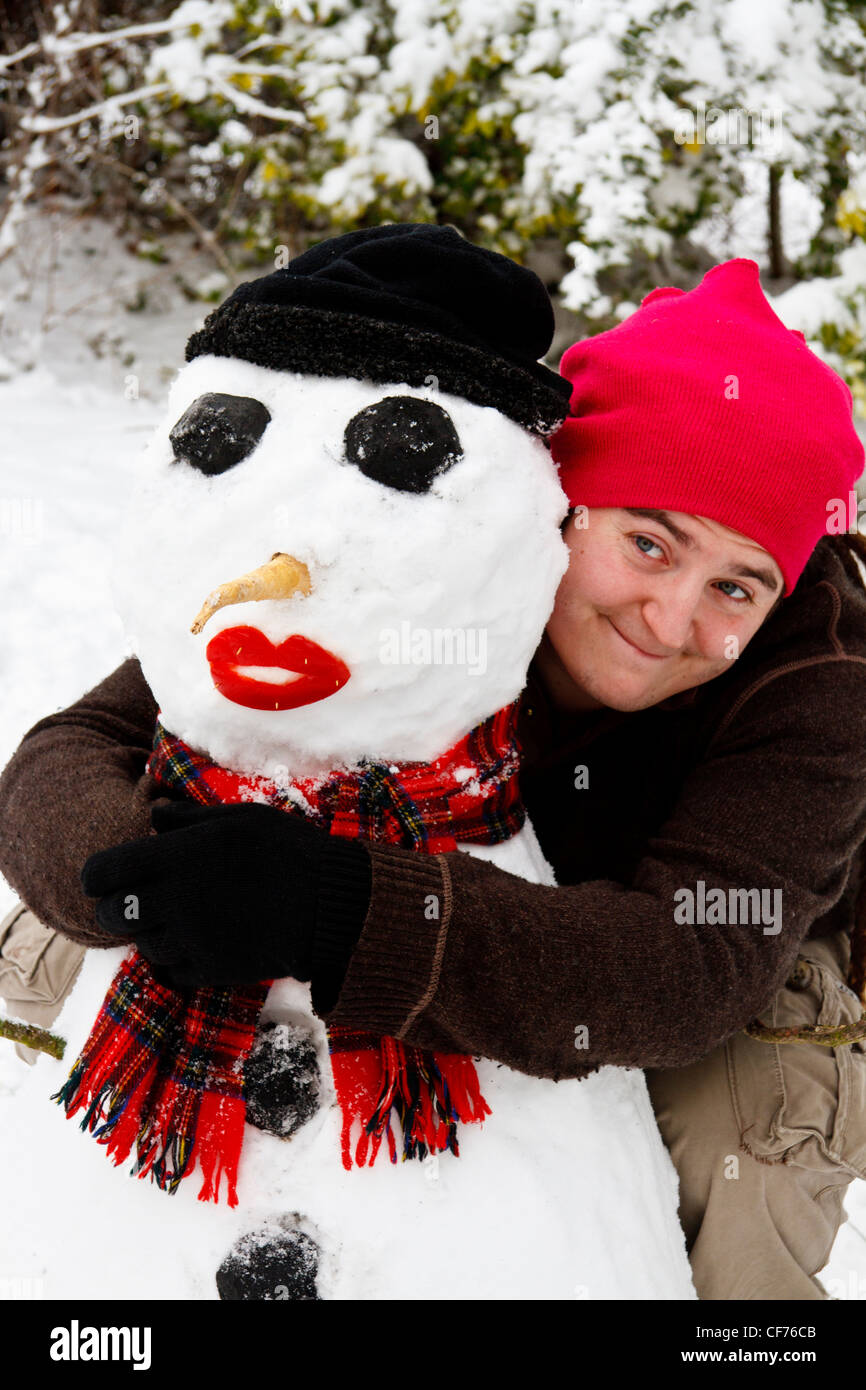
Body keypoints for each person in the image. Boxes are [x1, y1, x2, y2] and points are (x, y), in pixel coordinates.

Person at [3, 256, 866, 1300]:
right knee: (60, 940)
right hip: (418, 851)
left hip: (704, 938)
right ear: (556, 510)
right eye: (647, 543)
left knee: (735, 1123)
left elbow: (685, 965)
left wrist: (335, 914)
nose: (673, 619)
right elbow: (77, 741)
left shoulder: (820, 682)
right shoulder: (448, 553)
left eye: (736, 584)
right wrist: (153, 872)